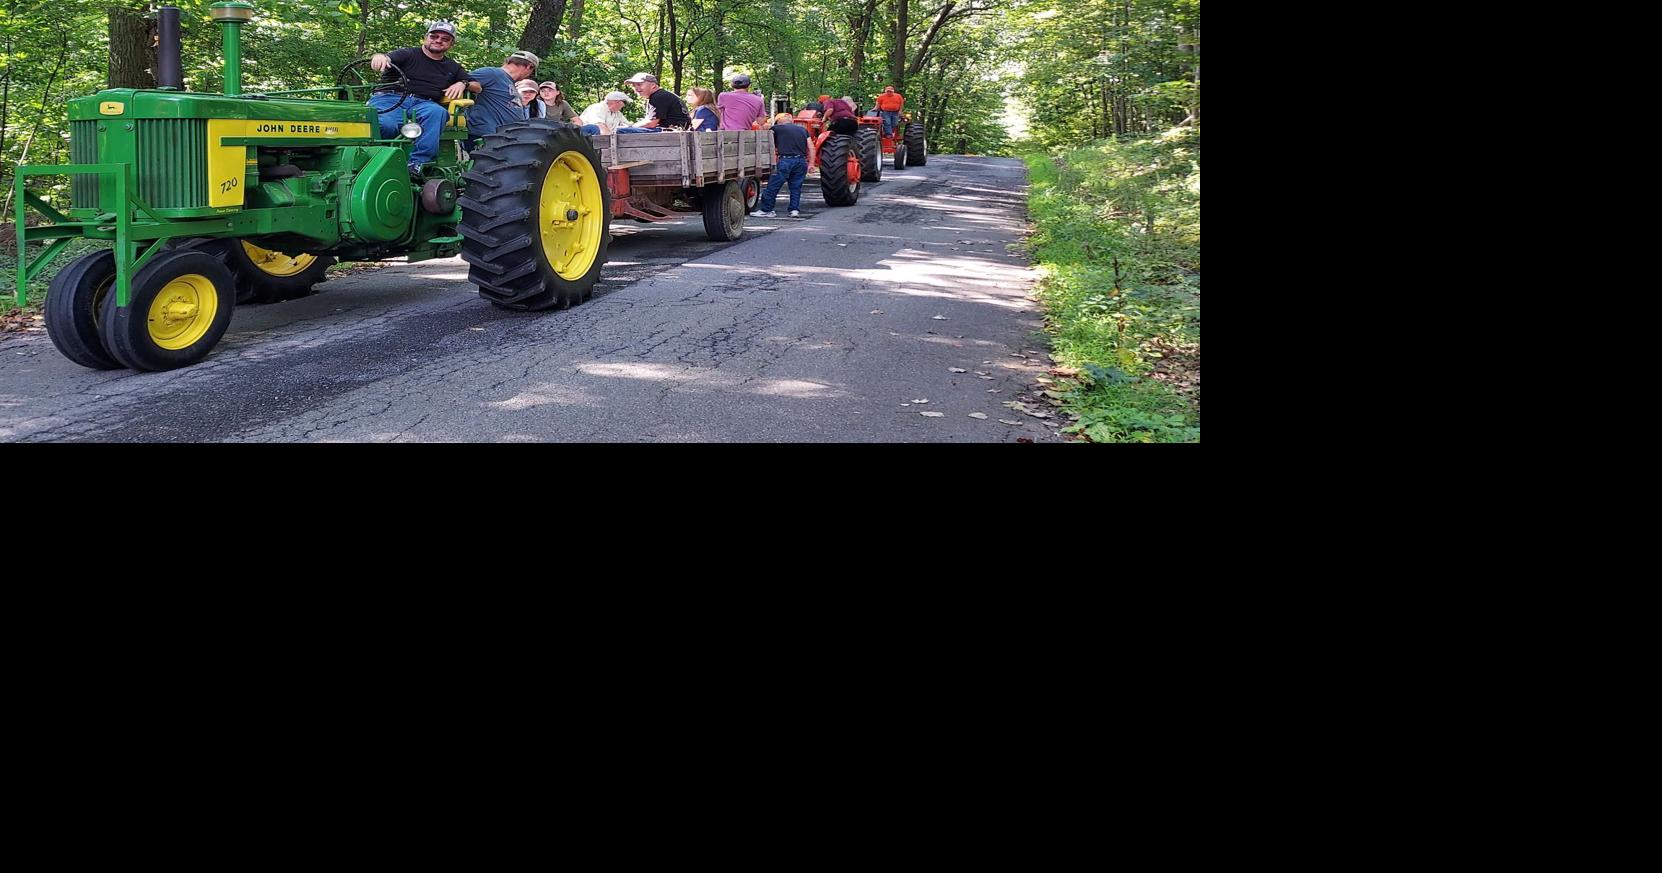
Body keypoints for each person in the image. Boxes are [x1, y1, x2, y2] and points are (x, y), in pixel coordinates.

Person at [368, 20, 472, 177]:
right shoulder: (408, 54)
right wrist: (379, 57)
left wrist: (462, 83)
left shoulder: (452, 66)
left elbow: (477, 86)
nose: (438, 40)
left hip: (423, 102)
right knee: (386, 125)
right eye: (434, 36)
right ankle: (379, 161)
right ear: (426, 37)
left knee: (438, 113)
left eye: (445, 39)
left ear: (451, 44)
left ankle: (416, 164)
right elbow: (387, 58)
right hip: (390, 98)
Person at [463, 49, 539, 148]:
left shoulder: (509, 81)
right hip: (487, 136)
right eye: (532, 72)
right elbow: (460, 81)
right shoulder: (491, 73)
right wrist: (463, 83)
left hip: (505, 138)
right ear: (529, 67)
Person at [754, 112, 808, 218]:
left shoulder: (777, 128)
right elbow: (810, 146)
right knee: (796, 187)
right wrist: (810, 164)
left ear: (779, 121)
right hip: (801, 161)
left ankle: (767, 210)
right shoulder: (803, 130)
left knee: (773, 185)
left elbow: (765, 134)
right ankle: (794, 210)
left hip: (786, 161)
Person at [616, 72, 690, 133]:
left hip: (671, 132)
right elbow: (649, 121)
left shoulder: (658, 97)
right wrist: (631, 126)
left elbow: (651, 123)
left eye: (639, 84)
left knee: (618, 131)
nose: (636, 88)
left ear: (653, 85)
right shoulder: (661, 95)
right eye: (633, 86)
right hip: (674, 131)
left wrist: (630, 127)